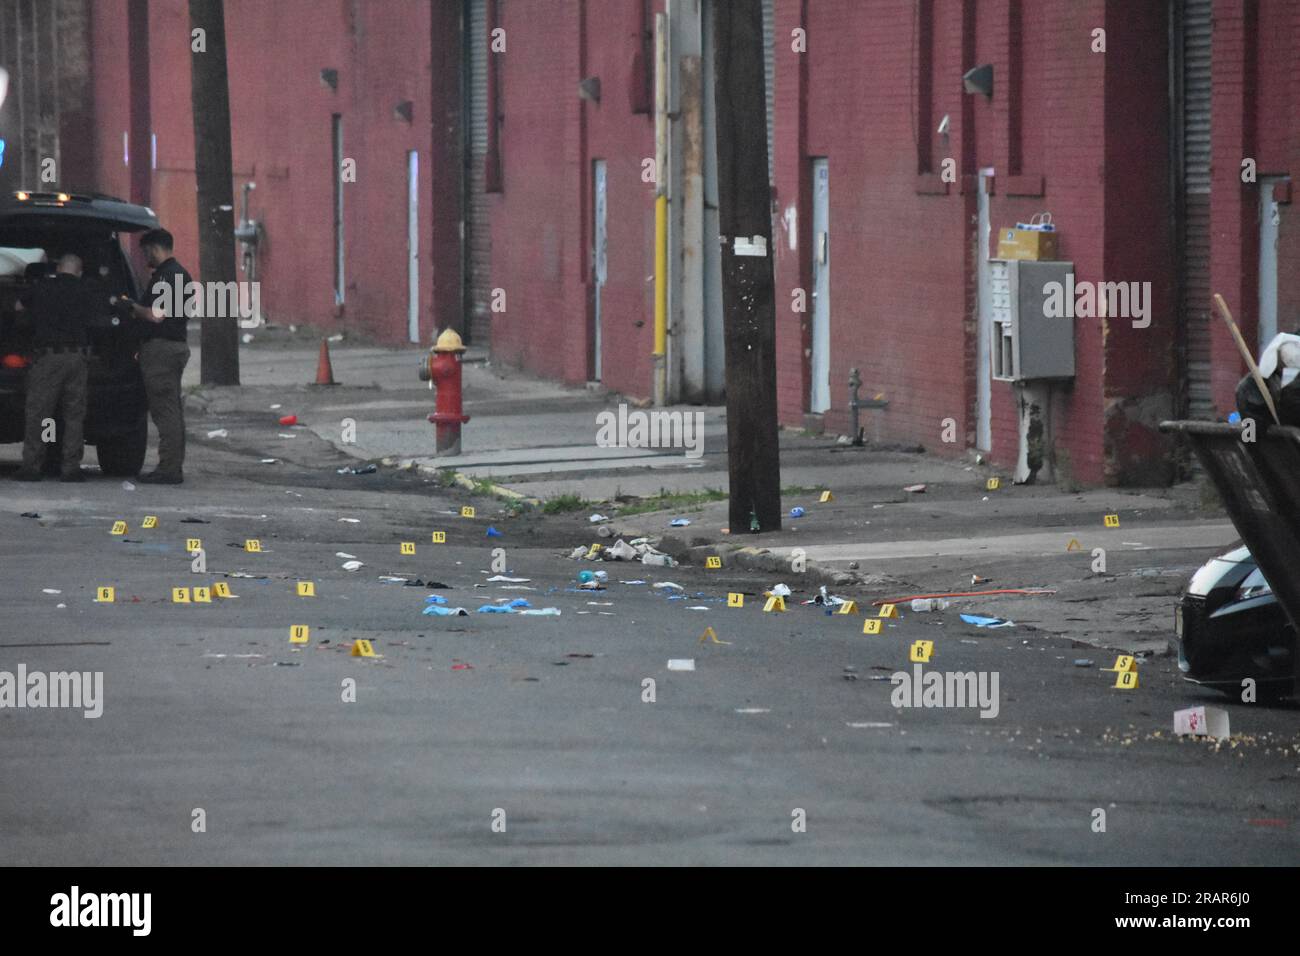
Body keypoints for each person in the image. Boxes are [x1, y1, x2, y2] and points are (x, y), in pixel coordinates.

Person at [12, 254, 99, 482]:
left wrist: (32, 321)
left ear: (59, 269)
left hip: (48, 358)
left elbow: (18, 307)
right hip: (77, 358)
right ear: (79, 271)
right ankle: (70, 467)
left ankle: (33, 466)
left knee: (41, 414)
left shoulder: (42, 287)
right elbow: (98, 321)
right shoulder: (86, 291)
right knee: (73, 415)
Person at [120, 228, 194, 484]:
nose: (144, 257)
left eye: (145, 252)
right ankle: (172, 466)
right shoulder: (180, 275)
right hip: (172, 346)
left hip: (162, 348)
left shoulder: (167, 277)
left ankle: (169, 469)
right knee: (171, 409)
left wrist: (130, 307)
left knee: (165, 411)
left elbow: (156, 314)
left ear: (154, 248)